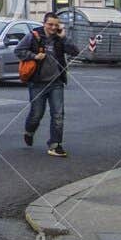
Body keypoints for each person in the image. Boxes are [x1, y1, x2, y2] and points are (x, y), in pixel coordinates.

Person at [16, 11, 79, 157]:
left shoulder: (59, 38)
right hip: (37, 83)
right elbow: (18, 50)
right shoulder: (34, 36)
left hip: (56, 82)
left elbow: (75, 52)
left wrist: (64, 39)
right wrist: (34, 56)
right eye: (50, 24)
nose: (53, 27)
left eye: (56, 25)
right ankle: (29, 131)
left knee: (58, 114)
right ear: (44, 24)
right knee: (36, 114)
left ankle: (55, 145)